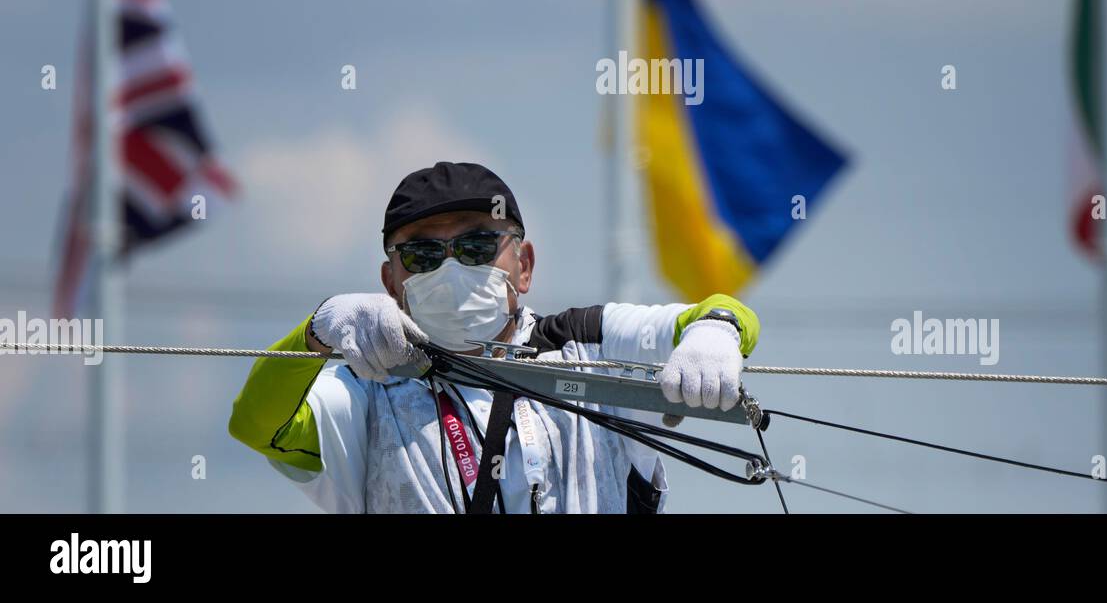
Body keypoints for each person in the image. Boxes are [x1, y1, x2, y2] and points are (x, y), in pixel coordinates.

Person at [228, 161, 760, 513]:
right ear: (391, 283)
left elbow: (720, 312)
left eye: (478, 247)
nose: (452, 267)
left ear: (523, 265)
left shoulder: (590, 343)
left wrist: (719, 330)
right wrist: (316, 332)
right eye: (423, 256)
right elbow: (256, 425)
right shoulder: (365, 385)